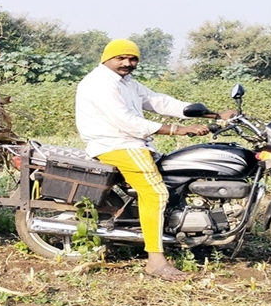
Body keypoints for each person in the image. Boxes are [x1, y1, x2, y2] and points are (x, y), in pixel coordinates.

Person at [75, 38, 236, 282]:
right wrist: (176, 130)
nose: (127, 63)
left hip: (133, 143)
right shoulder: (99, 84)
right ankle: (155, 261)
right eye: (121, 58)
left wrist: (214, 114)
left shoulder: (125, 82)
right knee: (156, 194)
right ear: (106, 58)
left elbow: (159, 101)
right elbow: (126, 121)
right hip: (117, 144)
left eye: (132, 59)